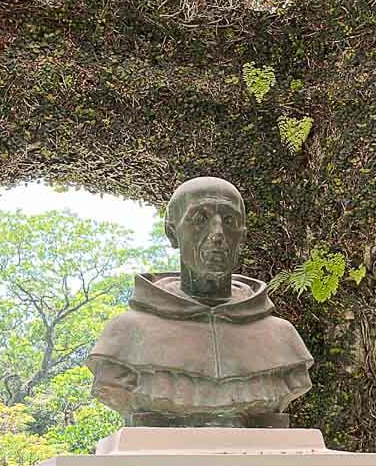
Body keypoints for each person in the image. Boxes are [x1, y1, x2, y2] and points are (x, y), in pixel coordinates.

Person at [86, 177, 313, 427]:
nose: (217, 234)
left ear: (242, 236)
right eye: (200, 218)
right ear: (172, 233)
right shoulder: (128, 331)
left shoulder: (280, 336)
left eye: (229, 221)